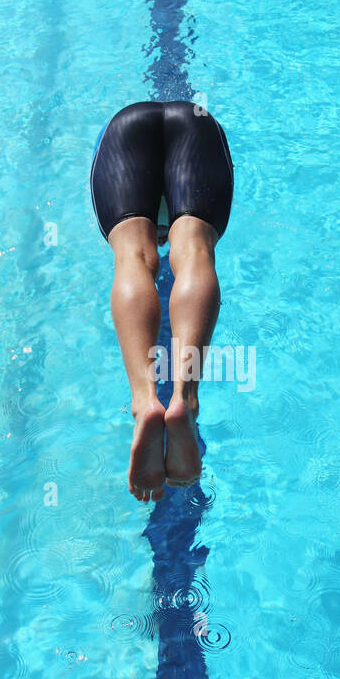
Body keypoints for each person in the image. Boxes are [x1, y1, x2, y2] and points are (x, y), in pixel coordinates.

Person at [90, 100, 233, 502]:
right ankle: (184, 399)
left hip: (124, 127)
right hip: (198, 125)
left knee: (132, 256)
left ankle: (144, 402)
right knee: (193, 252)